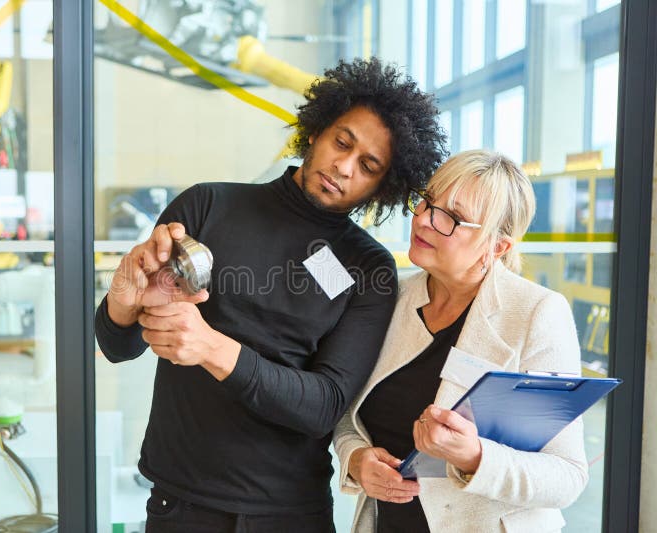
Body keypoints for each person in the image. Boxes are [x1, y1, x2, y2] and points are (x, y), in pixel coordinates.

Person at [94, 57, 447, 532]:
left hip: (290, 513)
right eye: (342, 142)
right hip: (180, 505)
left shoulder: (368, 268)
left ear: (383, 185)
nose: (343, 167)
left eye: (368, 165)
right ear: (316, 131)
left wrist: (211, 348)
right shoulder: (207, 206)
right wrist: (125, 297)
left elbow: (325, 404)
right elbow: (117, 346)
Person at [333, 149, 589, 533]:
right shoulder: (390, 299)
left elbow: (567, 475)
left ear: (498, 246)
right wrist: (355, 459)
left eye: (451, 217)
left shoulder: (537, 313)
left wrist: (476, 457)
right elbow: (345, 409)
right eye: (427, 201)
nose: (423, 220)